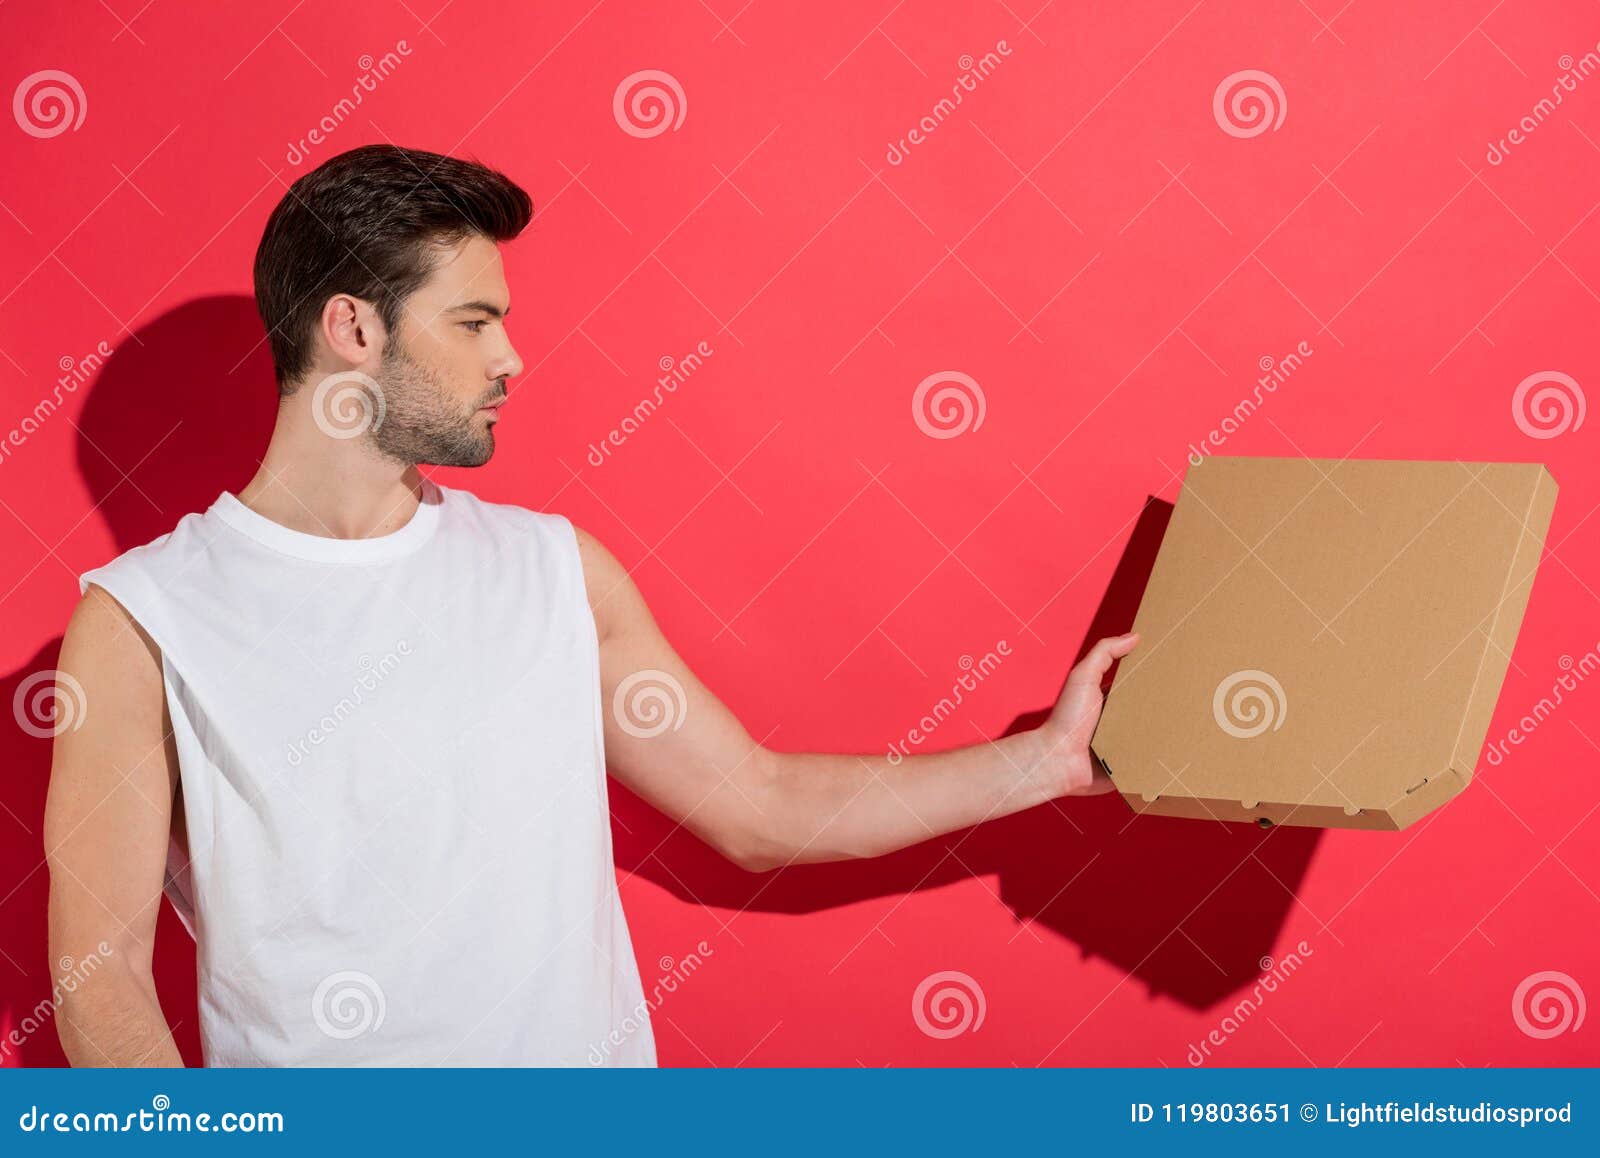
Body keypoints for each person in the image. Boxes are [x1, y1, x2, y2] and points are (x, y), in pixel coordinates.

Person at [43, 144, 1139, 1067]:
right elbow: (101, 989)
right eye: (473, 321)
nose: (512, 357)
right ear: (353, 330)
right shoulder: (143, 621)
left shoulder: (552, 572)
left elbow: (756, 806)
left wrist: (1042, 762)